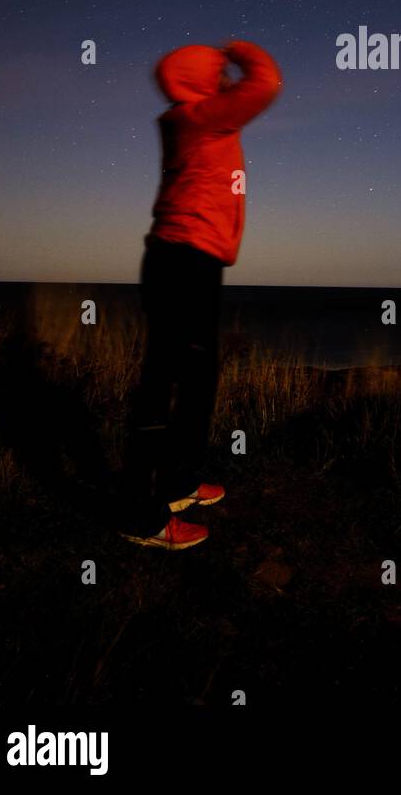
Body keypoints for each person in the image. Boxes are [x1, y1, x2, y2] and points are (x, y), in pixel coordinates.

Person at [117, 38, 282, 550]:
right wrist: (238, 48)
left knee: (195, 378)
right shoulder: (200, 117)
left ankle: (179, 482)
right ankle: (141, 516)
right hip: (181, 261)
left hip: (196, 260)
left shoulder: (203, 120)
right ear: (202, 79)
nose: (226, 79)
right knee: (165, 381)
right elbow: (266, 84)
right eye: (217, 73)